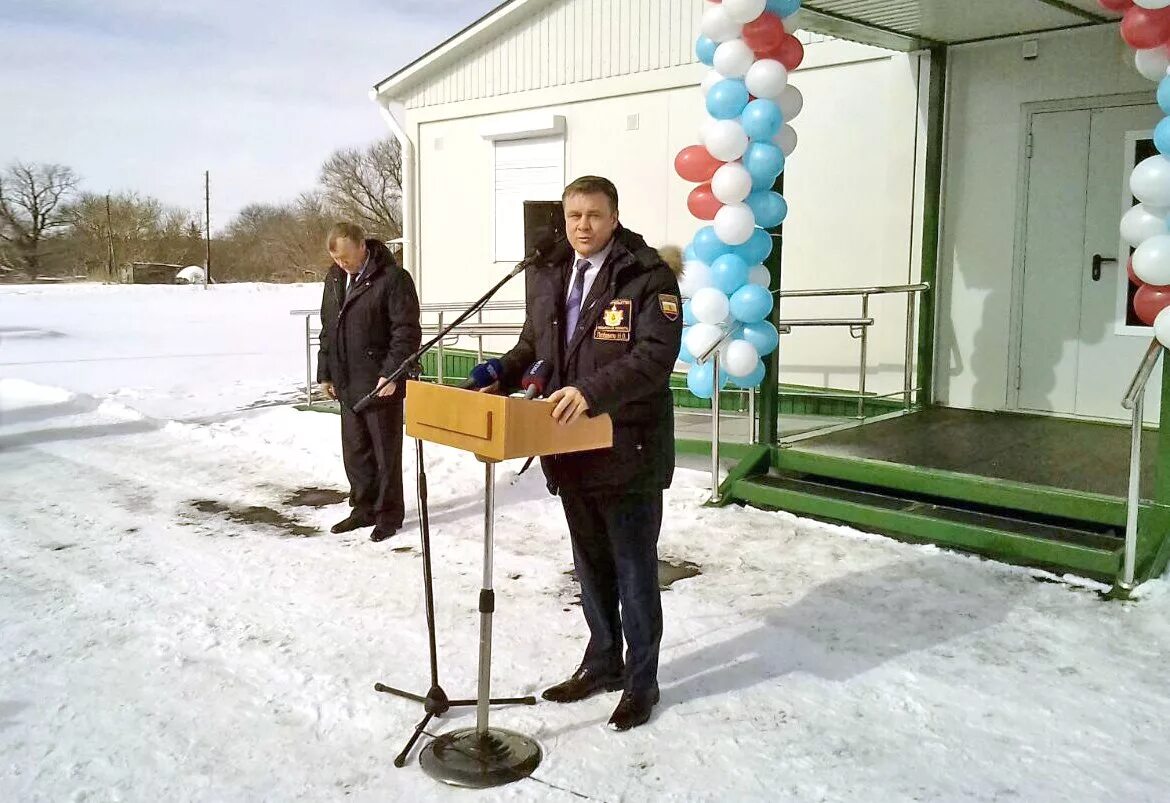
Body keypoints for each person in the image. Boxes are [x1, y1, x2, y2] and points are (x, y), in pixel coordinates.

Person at [491, 176, 683, 731]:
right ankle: (602, 661)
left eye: (594, 216)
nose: (582, 226)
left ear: (615, 216)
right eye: (574, 215)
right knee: (591, 566)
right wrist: (497, 373)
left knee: (633, 569)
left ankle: (640, 682)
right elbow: (536, 345)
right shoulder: (553, 273)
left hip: (628, 448)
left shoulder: (647, 276)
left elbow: (653, 360)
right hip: (569, 448)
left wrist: (592, 393)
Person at [317, 222, 421, 543]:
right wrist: (326, 373)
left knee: (385, 453)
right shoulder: (334, 279)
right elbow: (328, 329)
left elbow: (406, 331)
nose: (342, 265)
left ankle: (389, 513)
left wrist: (392, 372)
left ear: (363, 246)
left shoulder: (392, 279)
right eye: (337, 260)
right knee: (356, 453)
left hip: (380, 384)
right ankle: (363, 507)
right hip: (347, 383)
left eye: (346, 258)